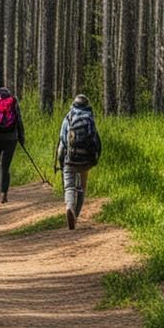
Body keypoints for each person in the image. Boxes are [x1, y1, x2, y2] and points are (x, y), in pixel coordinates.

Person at [56, 94, 101, 230]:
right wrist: (94, 158)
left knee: (69, 187)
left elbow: (63, 140)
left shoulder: (69, 117)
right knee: (81, 188)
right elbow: (95, 140)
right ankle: (75, 216)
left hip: (70, 159)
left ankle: (69, 207)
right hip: (85, 160)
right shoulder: (89, 118)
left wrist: (61, 161)